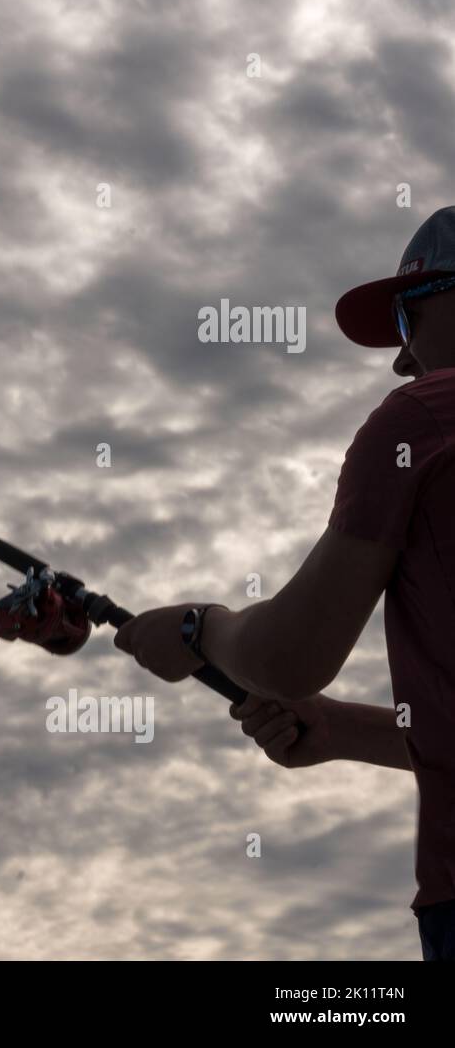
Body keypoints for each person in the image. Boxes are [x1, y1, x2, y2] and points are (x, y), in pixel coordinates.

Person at [114, 206, 455, 960]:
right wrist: (338, 729)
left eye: (405, 315)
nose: (400, 359)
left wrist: (199, 629)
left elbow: (290, 658)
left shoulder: (423, 418)